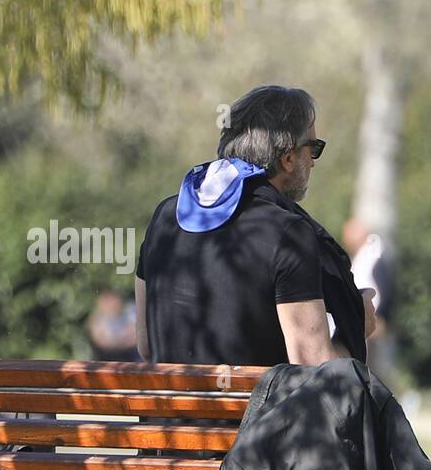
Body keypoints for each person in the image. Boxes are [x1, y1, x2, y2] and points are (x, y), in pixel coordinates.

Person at [134, 84, 374, 369]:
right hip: (257, 415)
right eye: (313, 148)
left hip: (164, 414)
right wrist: (359, 324)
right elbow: (313, 366)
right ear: (287, 159)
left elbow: (146, 345)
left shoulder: (165, 217)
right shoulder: (289, 232)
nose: (313, 162)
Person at [342, 218, 397, 379]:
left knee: (377, 373)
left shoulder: (373, 257)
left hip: (375, 323)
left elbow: (384, 289)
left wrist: (381, 317)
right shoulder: (363, 257)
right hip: (365, 323)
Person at [87, 290, 139, 361]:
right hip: (106, 357)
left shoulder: (130, 312)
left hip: (131, 356)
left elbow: (136, 337)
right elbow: (100, 340)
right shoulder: (98, 318)